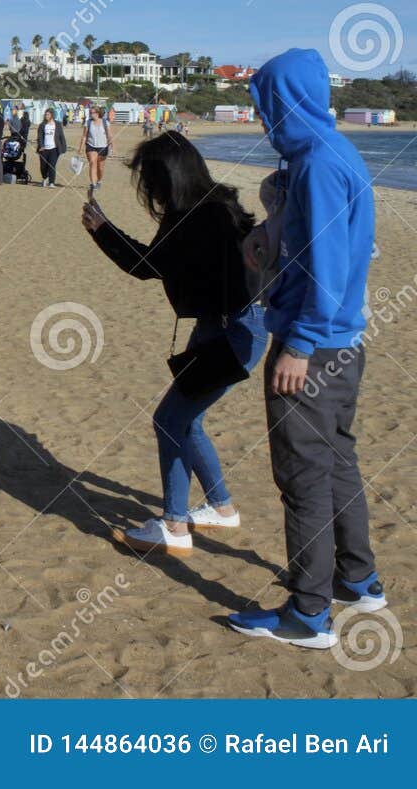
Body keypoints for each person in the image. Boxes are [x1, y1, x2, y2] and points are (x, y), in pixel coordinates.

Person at [228, 49, 382, 649]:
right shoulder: (332, 151)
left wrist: (300, 344)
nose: (263, 118)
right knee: (339, 462)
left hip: (313, 349)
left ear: (283, 101)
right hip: (345, 345)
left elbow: (327, 266)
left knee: (303, 478)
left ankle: (308, 613)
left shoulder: (318, 163)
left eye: (265, 103)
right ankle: (359, 579)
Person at [82, 133, 267, 558]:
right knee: (188, 420)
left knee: (170, 420)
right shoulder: (218, 203)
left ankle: (173, 526)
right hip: (230, 326)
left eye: (150, 180)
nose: (148, 190)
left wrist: (102, 230)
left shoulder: (193, 216)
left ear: (168, 178)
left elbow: (147, 265)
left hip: (232, 332)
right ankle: (221, 508)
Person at [76, 105, 115, 191]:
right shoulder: (88, 122)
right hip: (91, 146)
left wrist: (112, 147)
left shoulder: (105, 122)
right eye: (90, 113)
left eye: (92, 113)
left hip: (103, 147)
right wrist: (80, 148)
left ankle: (99, 181)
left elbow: (109, 135)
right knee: (93, 163)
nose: (90, 114)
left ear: (97, 113)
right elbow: (84, 136)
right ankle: (93, 184)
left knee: (100, 167)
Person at [36, 107, 67, 187]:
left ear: (52, 115)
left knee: (52, 165)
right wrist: (41, 146)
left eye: (48, 114)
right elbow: (39, 136)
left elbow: (61, 136)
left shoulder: (57, 124)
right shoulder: (42, 125)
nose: (46, 116)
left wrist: (63, 147)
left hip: (54, 149)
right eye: (45, 114)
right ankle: (44, 178)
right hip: (44, 149)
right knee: (43, 166)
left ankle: (51, 182)